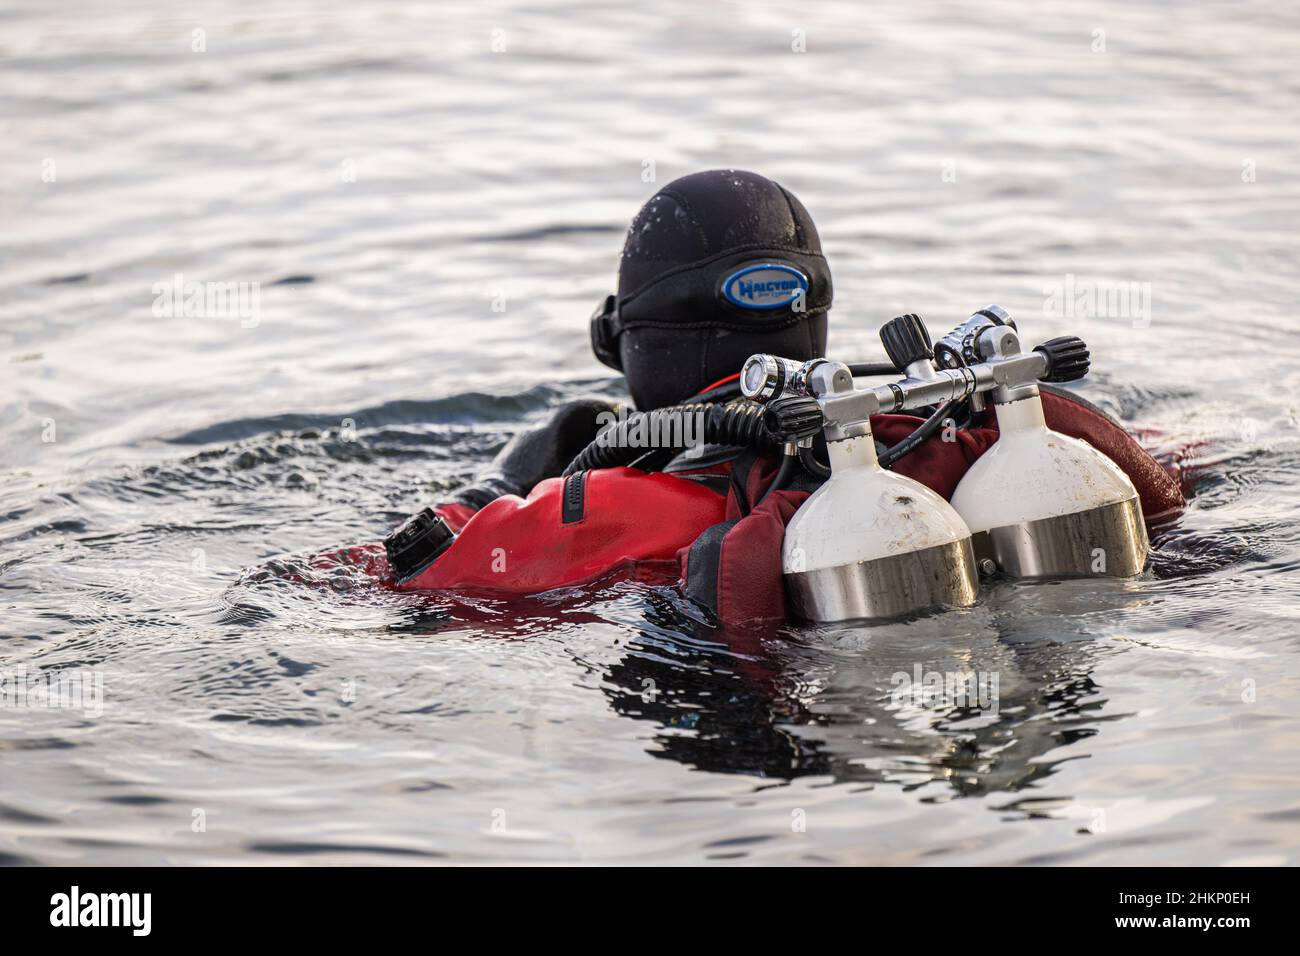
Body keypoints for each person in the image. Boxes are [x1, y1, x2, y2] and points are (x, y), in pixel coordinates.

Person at [380, 169, 1184, 623]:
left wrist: (500, 481)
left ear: (629, 338)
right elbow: (1181, 469)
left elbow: (382, 579)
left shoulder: (615, 510)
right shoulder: (953, 434)